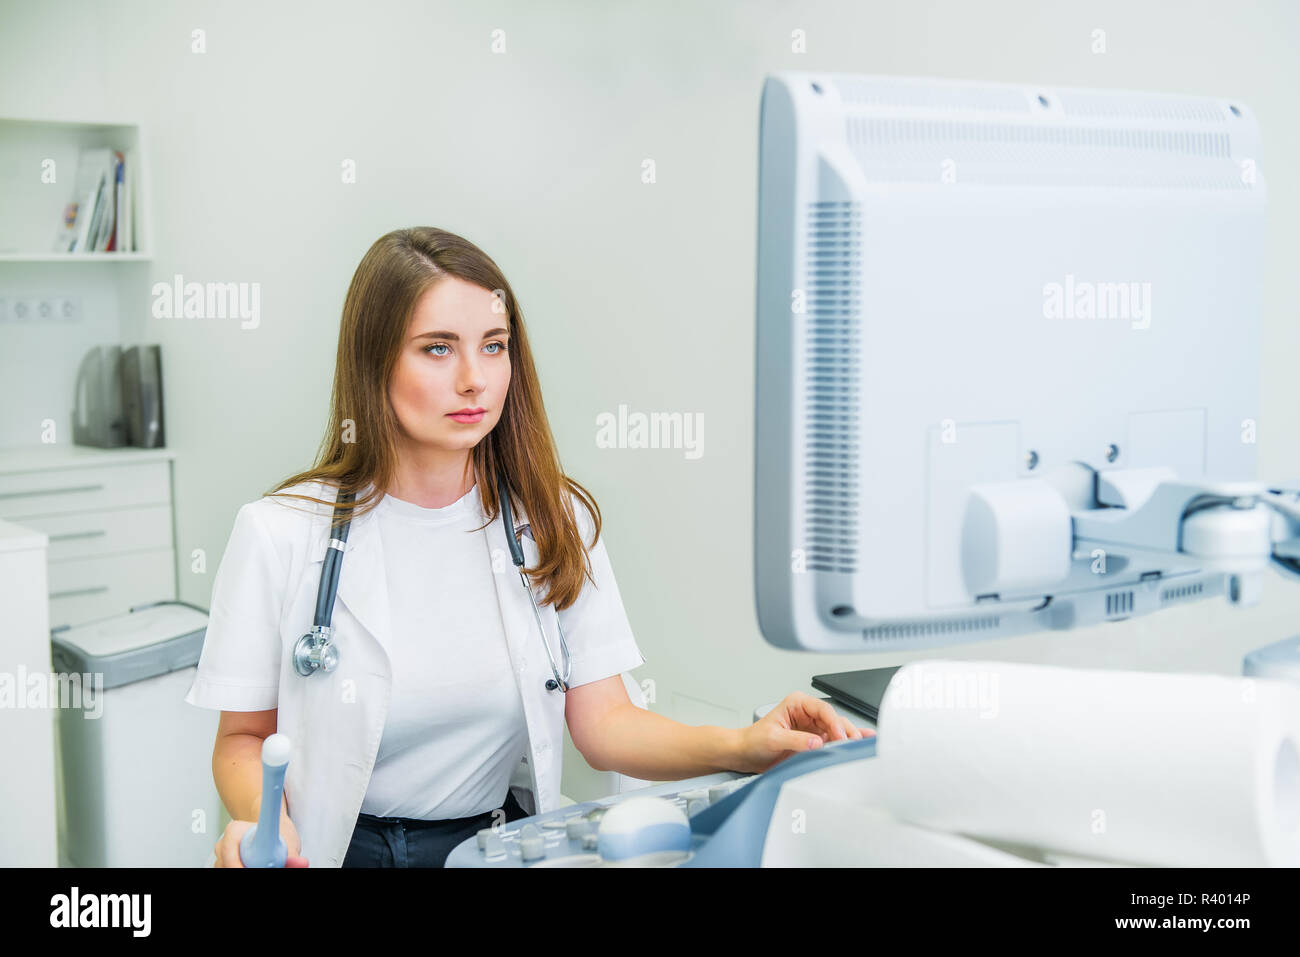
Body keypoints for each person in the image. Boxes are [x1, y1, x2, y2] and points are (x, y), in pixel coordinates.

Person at [186, 226, 874, 868]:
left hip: (492, 843)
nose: (474, 379)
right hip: (337, 850)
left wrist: (743, 746)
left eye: (493, 344)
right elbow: (243, 740)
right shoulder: (280, 532)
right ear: (374, 359)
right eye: (437, 347)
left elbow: (605, 722)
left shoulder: (551, 519)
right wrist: (269, 830)